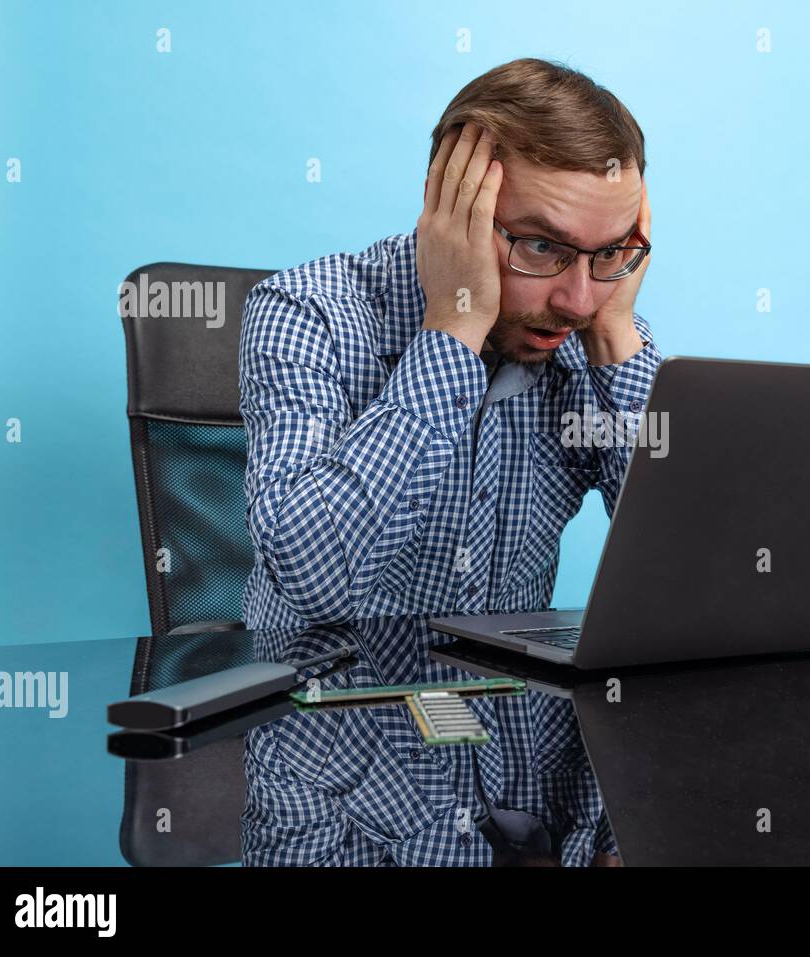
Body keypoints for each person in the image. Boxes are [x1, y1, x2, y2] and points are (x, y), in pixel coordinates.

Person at [239, 58, 660, 630]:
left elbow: (702, 576)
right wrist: (454, 328)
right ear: (448, 206)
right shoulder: (305, 311)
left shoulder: (594, 329)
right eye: (541, 246)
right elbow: (313, 580)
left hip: (513, 709)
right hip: (337, 702)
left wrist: (615, 337)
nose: (578, 301)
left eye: (608, 251)